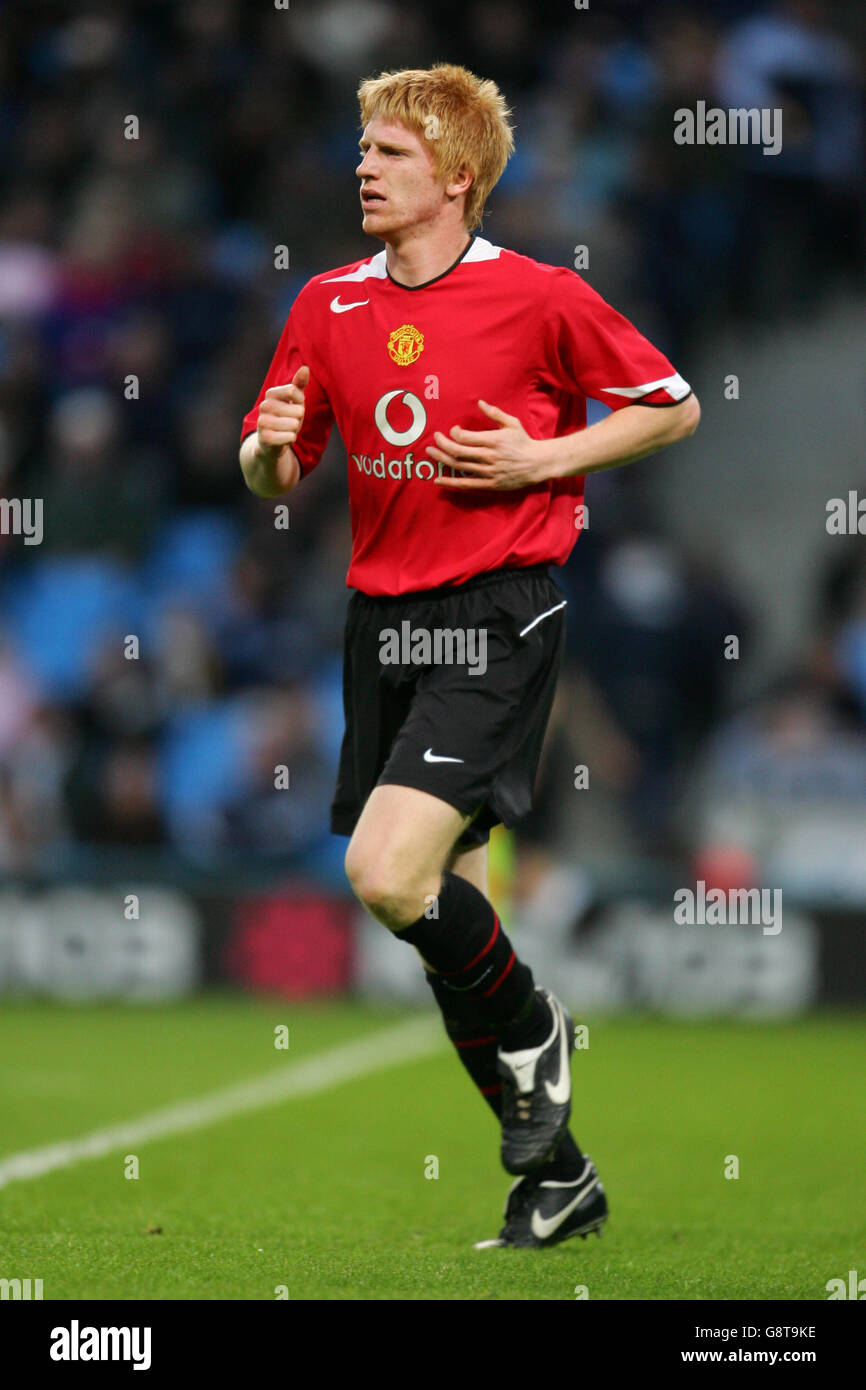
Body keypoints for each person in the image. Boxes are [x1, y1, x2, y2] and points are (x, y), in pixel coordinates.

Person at [239, 63, 699, 1248]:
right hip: (376, 622)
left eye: (387, 153)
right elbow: (274, 470)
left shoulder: (539, 296)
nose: (362, 168)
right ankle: (560, 1177)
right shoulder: (328, 303)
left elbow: (671, 403)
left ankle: (540, 1024)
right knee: (444, 920)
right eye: (361, 150)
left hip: (496, 613)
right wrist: (269, 454)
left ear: (454, 175)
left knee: (386, 875)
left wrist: (545, 463)